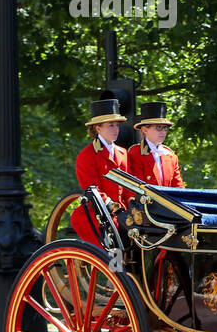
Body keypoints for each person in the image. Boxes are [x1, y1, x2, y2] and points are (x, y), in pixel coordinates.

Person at [72, 98, 131, 245]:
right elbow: (92, 189)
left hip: (123, 214)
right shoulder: (87, 155)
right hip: (98, 214)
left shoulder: (123, 152)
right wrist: (113, 206)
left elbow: (130, 185)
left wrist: (132, 202)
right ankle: (113, 265)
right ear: (98, 128)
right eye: (111, 126)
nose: (116, 129)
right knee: (113, 252)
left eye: (117, 125)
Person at [125, 101, 185, 188]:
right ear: (145, 130)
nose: (163, 132)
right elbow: (136, 187)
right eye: (158, 128)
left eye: (165, 128)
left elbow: (179, 188)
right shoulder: (135, 153)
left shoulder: (171, 155)